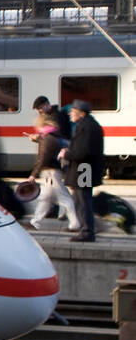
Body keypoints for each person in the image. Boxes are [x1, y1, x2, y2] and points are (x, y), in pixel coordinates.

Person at [25, 111, 78, 231]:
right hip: (52, 172)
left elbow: (44, 157)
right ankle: (35, 222)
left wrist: (33, 174)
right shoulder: (52, 134)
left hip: (51, 172)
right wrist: (38, 140)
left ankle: (76, 224)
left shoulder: (47, 138)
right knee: (45, 199)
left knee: (65, 199)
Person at [62, 99, 105, 242]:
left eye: (72, 112)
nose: (70, 114)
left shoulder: (87, 128)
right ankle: (86, 229)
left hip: (84, 168)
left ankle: (87, 231)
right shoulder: (88, 125)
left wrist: (66, 154)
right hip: (84, 168)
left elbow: (83, 152)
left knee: (82, 200)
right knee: (80, 199)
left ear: (81, 113)